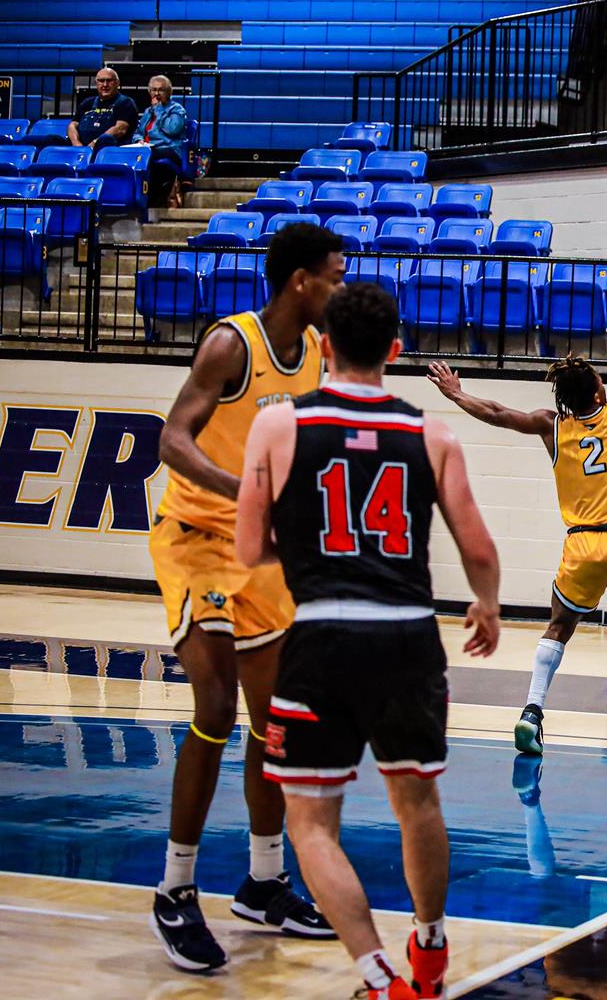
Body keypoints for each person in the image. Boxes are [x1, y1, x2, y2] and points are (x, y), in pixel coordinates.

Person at [237, 280, 502, 1000]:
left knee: (311, 821)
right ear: (394, 349)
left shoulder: (276, 426)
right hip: (409, 639)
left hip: (321, 638)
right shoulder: (432, 433)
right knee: (418, 803)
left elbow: (250, 545)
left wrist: (311, 545)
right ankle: (431, 945)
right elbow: (477, 544)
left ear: (323, 345)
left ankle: (377, 975)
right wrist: (487, 604)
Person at [147, 223, 345, 972]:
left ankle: (264, 883)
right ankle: (174, 890)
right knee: (217, 706)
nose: (340, 285)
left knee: (273, 721)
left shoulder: (317, 356)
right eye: (333, 274)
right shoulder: (232, 344)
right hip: (196, 535)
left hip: (260, 551)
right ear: (300, 280)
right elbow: (173, 438)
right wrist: (246, 491)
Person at [427, 266, 607, 761]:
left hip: (581, 542)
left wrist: (456, 393)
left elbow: (498, 412)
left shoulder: (550, 426)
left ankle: (532, 712)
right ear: (600, 393)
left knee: (559, 628)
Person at [136, 75, 190, 209]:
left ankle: (149, 203)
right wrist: (139, 140)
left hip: (170, 150)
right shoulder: (148, 112)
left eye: (161, 90)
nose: (157, 94)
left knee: (149, 160)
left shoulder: (176, 109)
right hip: (147, 149)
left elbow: (173, 129)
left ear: (169, 92)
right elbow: (138, 132)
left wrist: (159, 110)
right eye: (154, 90)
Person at [68, 67, 138, 149]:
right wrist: (76, 143)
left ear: (117, 83)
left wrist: (94, 144)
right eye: (101, 81)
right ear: (96, 83)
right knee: (53, 139)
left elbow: (120, 129)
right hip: (80, 147)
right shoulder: (87, 103)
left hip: (108, 149)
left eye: (109, 81)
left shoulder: (126, 102)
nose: (105, 85)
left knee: (105, 139)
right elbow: (72, 125)